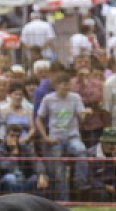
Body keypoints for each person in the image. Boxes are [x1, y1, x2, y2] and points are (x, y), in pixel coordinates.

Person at [35, 72, 91, 201]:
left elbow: (81, 116)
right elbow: (39, 118)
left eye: (68, 84)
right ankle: (63, 201)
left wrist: (85, 114)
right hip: (55, 138)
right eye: (64, 85)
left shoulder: (75, 98)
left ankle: (80, 183)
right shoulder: (48, 99)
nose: (67, 87)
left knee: (82, 152)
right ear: (57, 85)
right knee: (59, 172)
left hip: (72, 137)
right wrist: (45, 137)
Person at [0, 123, 43, 193]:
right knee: (10, 178)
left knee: (37, 178)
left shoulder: (23, 147)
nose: (14, 139)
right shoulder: (0, 150)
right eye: (12, 136)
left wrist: (41, 173)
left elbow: (36, 160)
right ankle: (15, 203)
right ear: (5, 136)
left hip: (24, 180)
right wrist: (13, 155)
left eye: (17, 136)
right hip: (7, 181)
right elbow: (4, 167)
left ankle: (34, 203)